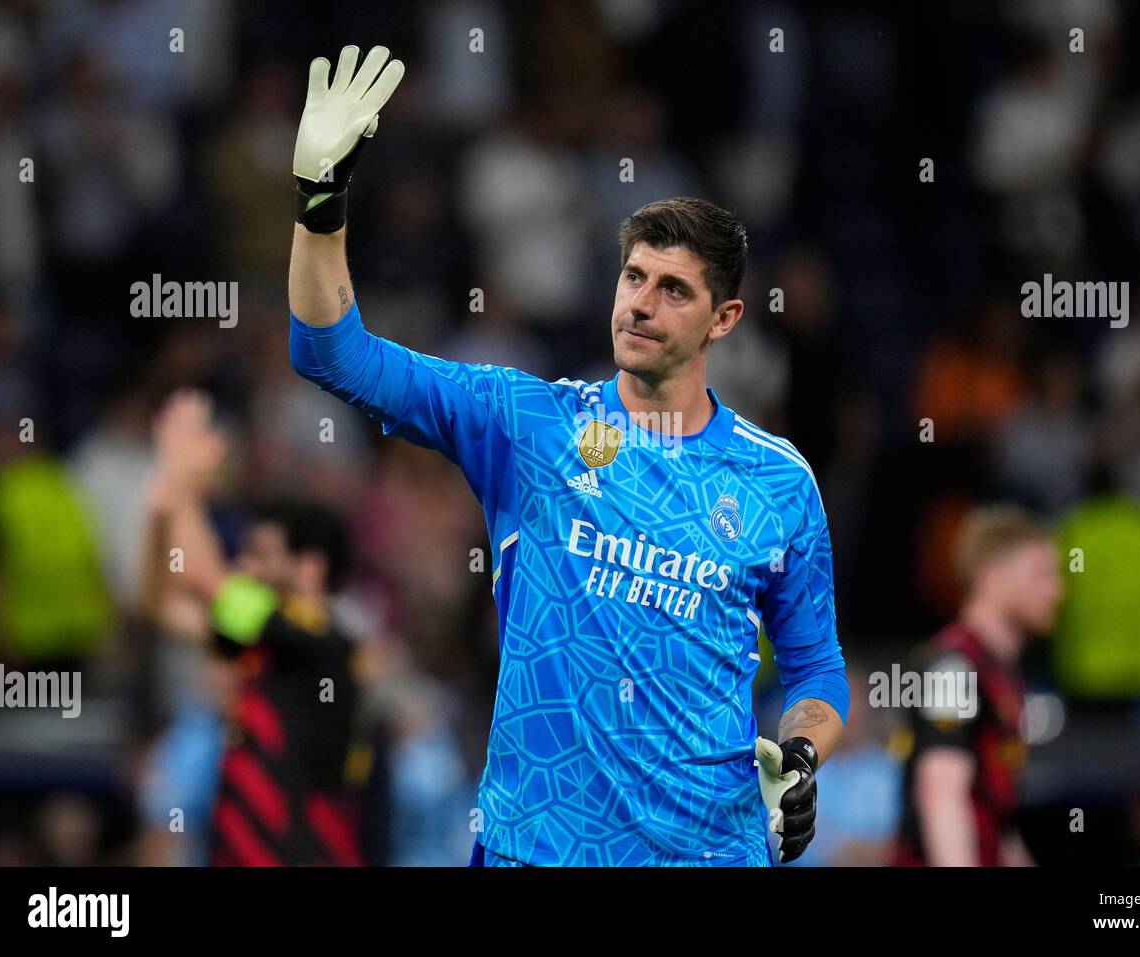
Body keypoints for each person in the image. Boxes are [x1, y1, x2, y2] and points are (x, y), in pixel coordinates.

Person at [287, 46, 848, 866]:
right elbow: (333, 354)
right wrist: (319, 204)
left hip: (709, 852)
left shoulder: (778, 479)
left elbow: (817, 671)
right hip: (538, 848)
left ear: (724, 319)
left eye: (674, 289)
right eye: (633, 277)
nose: (642, 304)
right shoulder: (528, 425)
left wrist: (799, 760)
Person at [142, 391, 372, 866]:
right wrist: (166, 505)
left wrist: (182, 478)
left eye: (262, 556)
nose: (245, 567)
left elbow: (204, 579)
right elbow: (159, 601)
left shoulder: (325, 645)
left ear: (309, 569)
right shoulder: (264, 644)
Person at [892, 505, 1062, 866]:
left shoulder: (1004, 672)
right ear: (992, 578)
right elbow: (941, 792)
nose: (1057, 590)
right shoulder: (953, 666)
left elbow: (996, 818)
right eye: (1041, 575)